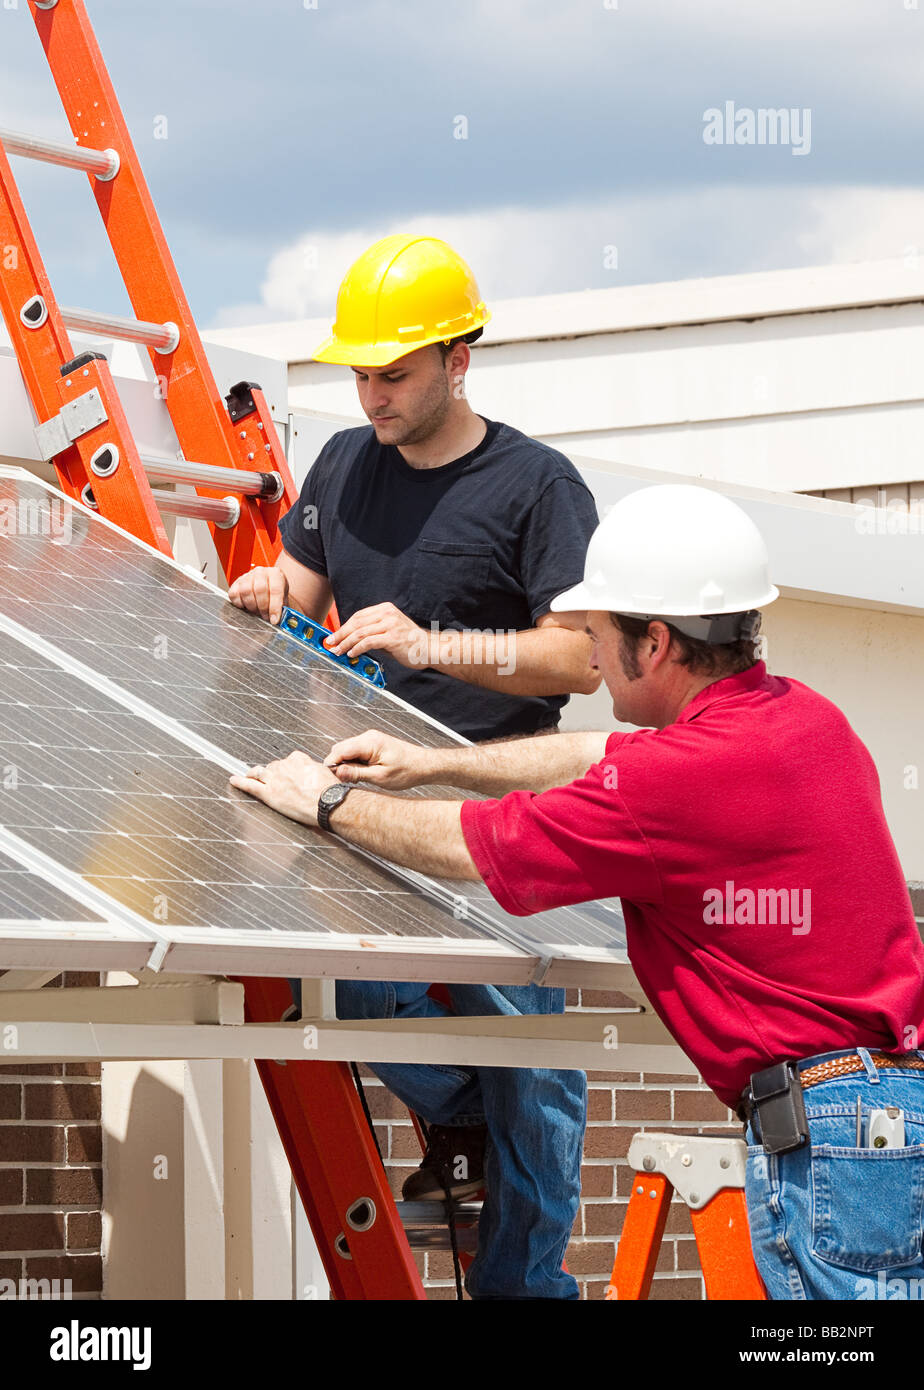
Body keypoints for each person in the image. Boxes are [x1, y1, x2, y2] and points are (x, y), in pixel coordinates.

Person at [232, 481, 924, 1301]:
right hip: (882, 1114)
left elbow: (470, 846)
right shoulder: (806, 721)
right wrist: (436, 761)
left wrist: (329, 801)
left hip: (835, 1134)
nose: (590, 657)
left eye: (598, 633)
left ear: (656, 643)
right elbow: (596, 750)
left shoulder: (671, 783)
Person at [229, 234, 599, 1300]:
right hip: (364, 788)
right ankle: (461, 1116)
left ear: (459, 358)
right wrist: (269, 599)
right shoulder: (343, 464)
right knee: (358, 1002)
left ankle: (524, 1287)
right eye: (361, 373)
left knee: (530, 1050)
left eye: (395, 372)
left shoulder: (537, 486)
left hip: (494, 798)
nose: (372, 394)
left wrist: (439, 643)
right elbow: (296, 605)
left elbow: (578, 654)